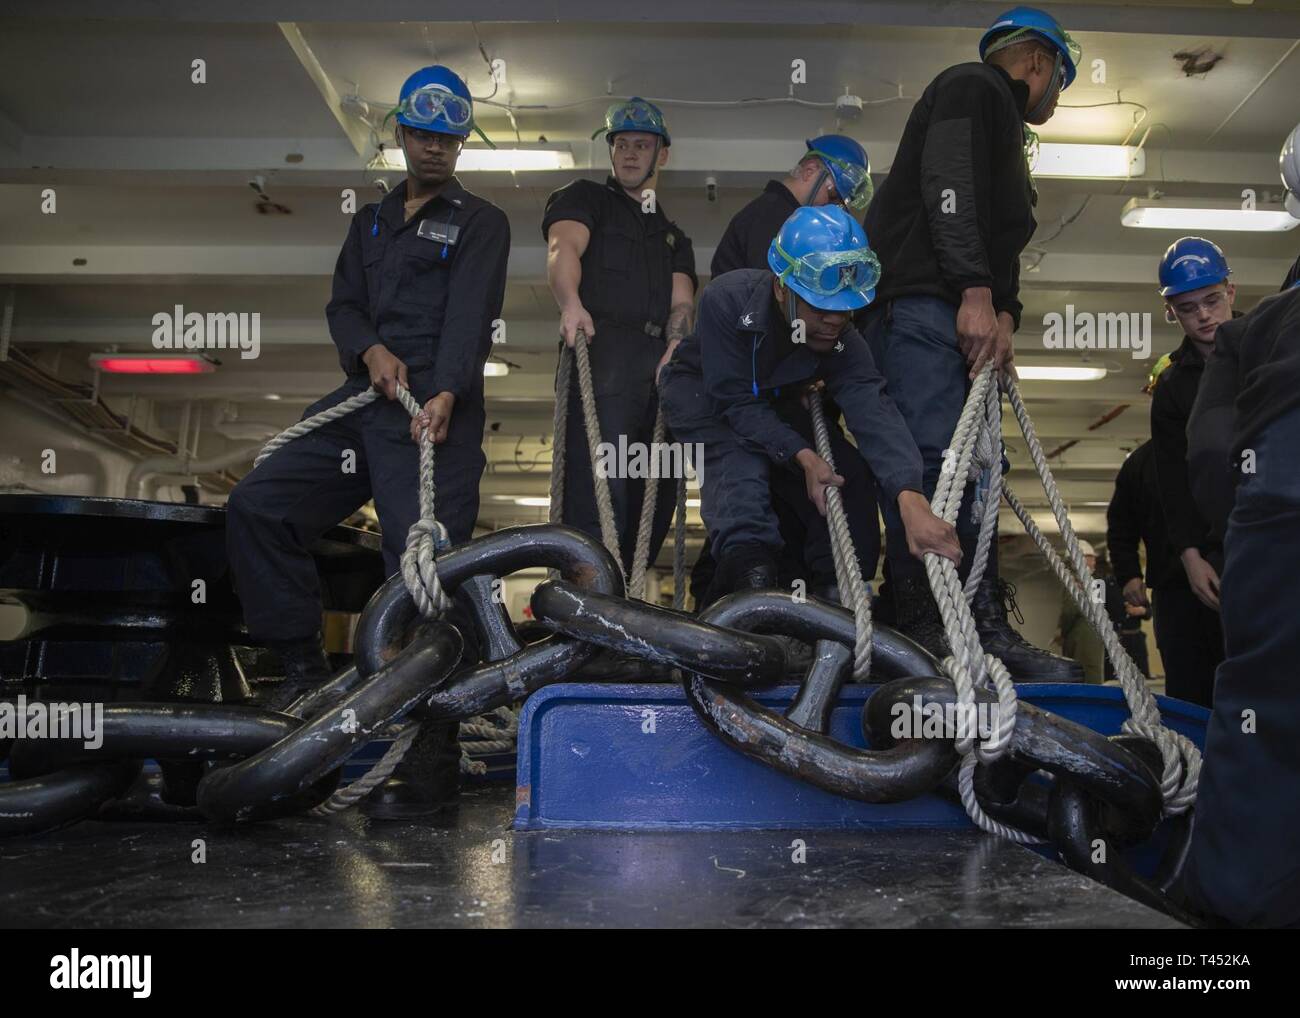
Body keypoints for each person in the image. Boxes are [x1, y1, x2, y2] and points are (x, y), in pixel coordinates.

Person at [226, 66, 510, 817]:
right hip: (366, 395)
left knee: (417, 572)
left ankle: (428, 756)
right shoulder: (372, 222)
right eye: (422, 134)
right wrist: (368, 353)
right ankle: (294, 666)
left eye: (449, 138)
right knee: (259, 504)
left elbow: (471, 315)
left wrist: (445, 389)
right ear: (401, 135)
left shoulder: (480, 221)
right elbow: (343, 303)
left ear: (460, 143)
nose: (435, 149)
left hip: (435, 410)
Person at [858, 5, 1082, 680]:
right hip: (925, 305)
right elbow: (947, 187)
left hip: (953, 307)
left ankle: (976, 619)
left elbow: (996, 230)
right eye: (1059, 86)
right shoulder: (974, 86)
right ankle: (927, 624)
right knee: (933, 461)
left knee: (976, 468)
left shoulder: (1004, 129)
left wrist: (1004, 310)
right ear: (1039, 66)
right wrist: (976, 292)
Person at [658, 205, 960, 604]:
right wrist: (802, 456)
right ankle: (751, 585)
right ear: (782, 288)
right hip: (705, 393)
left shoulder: (840, 338)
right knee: (740, 467)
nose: (835, 321)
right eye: (820, 308)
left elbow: (873, 411)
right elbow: (734, 402)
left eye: (845, 309)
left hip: (772, 403)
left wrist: (911, 498)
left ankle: (838, 595)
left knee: (845, 471)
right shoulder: (725, 301)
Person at [690, 135, 874, 603]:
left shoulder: (785, 226)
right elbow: (744, 377)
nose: (840, 213)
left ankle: (825, 600)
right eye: (835, 197)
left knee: (827, 480)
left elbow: (872, 401)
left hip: (773, 393)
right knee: (748, 485)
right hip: (738, 393)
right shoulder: (775, 222)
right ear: (812, 171)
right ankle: (746, 599)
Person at [1182, 267, 1300, 927]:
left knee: (1265, 712)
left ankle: (1234, 918)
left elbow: (1209, 454)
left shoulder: (1259, 328)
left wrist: (1244, 535)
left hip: (1281, 503)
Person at [543, 98, 697, 578]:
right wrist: (571, 303)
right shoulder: (585, 197)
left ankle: (628, 600)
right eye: (621, 144)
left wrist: (678, 344)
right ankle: (587, 602)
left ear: (661, 155)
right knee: (597, 490)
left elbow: (683, 303)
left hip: (659, 371)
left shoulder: (674, 237)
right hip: (602, 351)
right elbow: (562, 245)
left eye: (642, 145)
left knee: (656, 488)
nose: (630, 154)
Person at [1148, 236, 1236, 706]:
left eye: (1212, 300)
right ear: (1172, 313)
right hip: (1212, 545)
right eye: (1188, 308)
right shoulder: (1172, 388)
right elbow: (1172, 480)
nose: (1204, 315)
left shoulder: (1276, 354)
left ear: (1232, 293)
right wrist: (1189, 554)